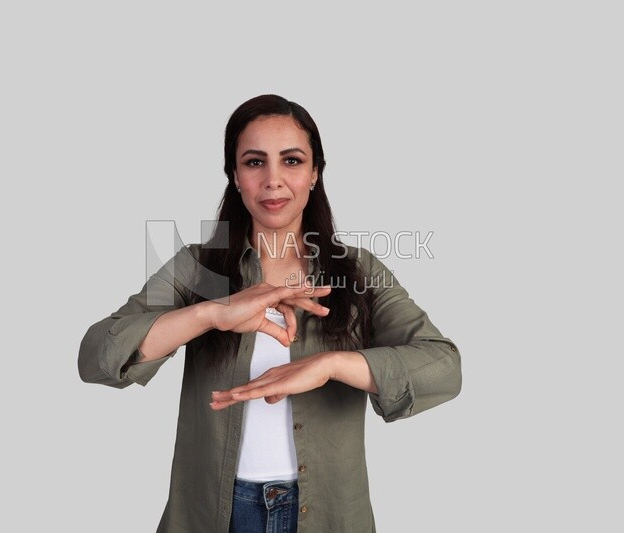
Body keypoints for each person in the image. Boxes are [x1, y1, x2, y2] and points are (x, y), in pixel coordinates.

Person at [78, 94, 462, 533]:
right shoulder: (199, 268)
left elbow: (444, 366)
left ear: (315, 173)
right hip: (214, 514)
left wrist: (332, 365)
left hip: (329, 514)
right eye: (255, 162)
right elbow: (96, 356)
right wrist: (211, 314)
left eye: (293, 161)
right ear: (234, 176)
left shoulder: (360, 271)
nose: (273, 180)